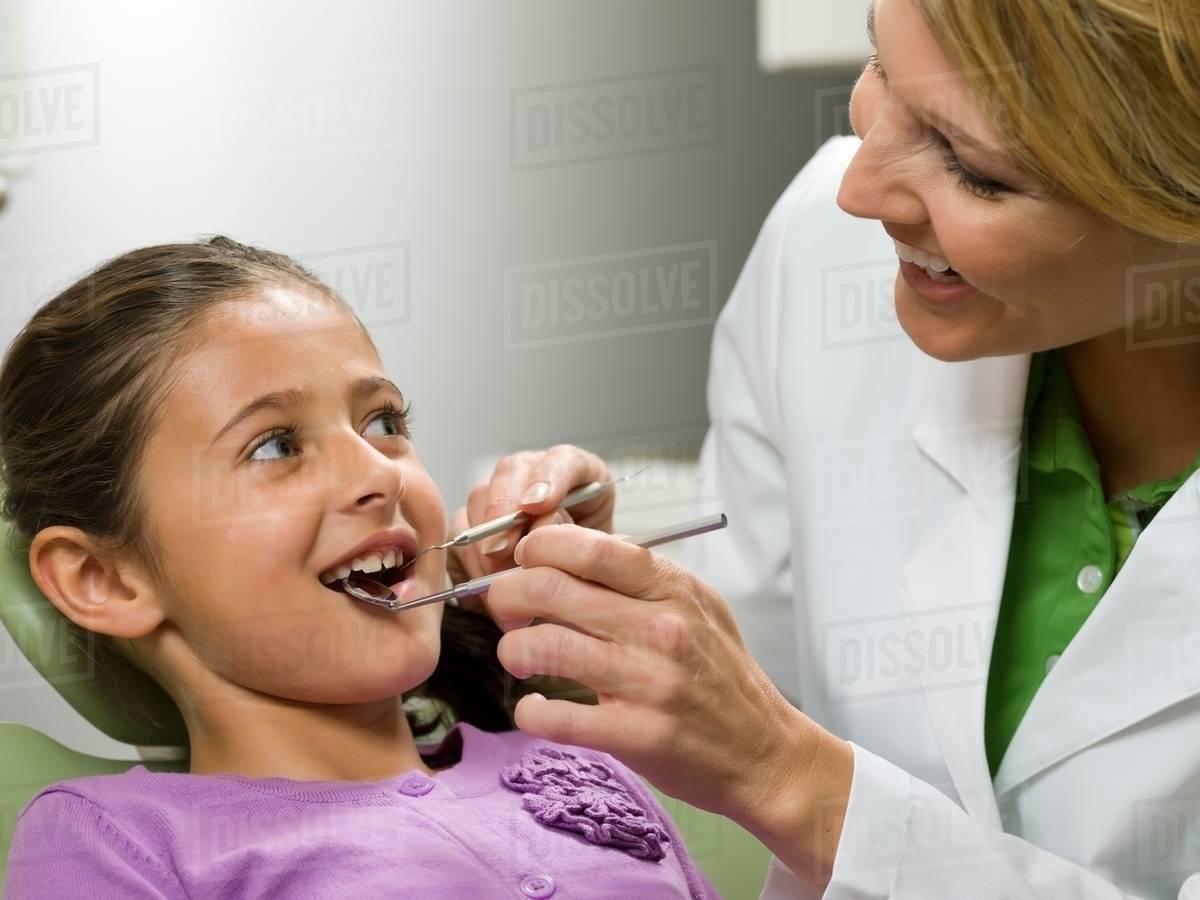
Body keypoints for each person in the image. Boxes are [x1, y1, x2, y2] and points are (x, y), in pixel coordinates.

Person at [456, 0, 1200, 896]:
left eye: (974, 171)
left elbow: (767, 747)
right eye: (882, 65)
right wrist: (598, 602)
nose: (859, 190)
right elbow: (755, 671)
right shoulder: (826, 250)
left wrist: (789, 779)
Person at [0, 237, 716, 899]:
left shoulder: (586, 768)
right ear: (103, 580)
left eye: (384, 423)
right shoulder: (113, 841)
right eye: (275, 446)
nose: (380, 472)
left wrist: (574, 630)